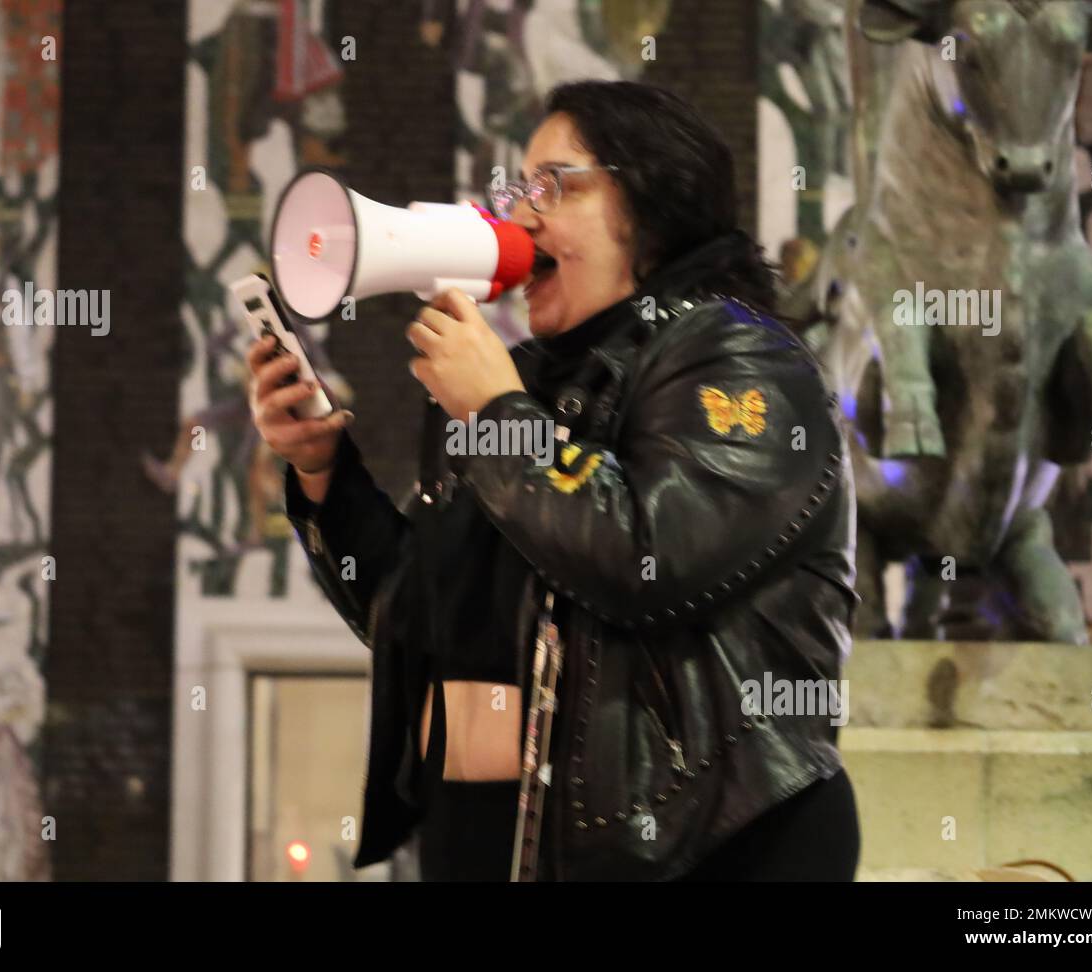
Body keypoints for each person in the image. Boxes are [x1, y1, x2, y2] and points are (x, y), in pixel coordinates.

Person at [249, 79, 862, 881]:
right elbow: (417, 617)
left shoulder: (743, 361)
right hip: (503, 838)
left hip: (700, 844)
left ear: (651, 200)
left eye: (554, 186)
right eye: (518, 188)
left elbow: (643, 554)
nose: (520, 217)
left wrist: (496, 410)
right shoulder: (529, 383)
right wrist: (324, 470)